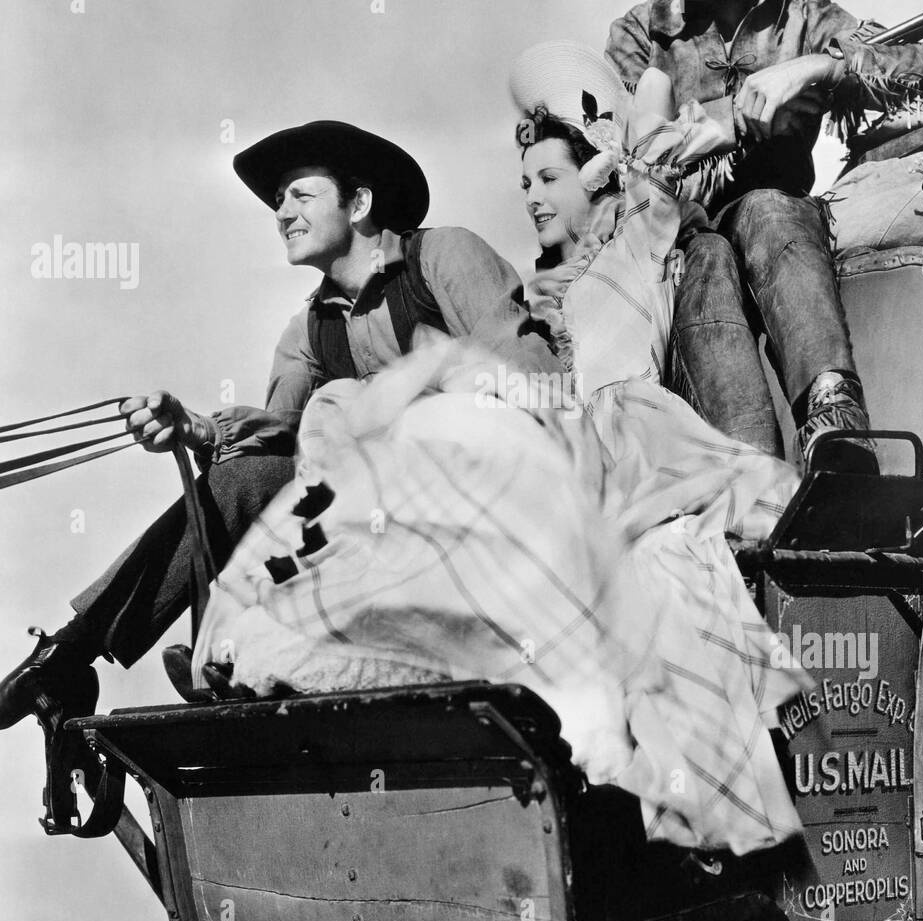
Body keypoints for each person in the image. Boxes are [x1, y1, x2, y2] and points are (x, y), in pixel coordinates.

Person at [189, 48, 814, 856]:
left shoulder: (610, 251)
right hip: (484, 455)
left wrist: (627, 143)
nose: (532, 198)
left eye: (549, 180)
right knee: (299, 468)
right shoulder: (504, 291)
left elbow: (541, 367)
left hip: (584, 435)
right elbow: (299, 420)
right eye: (524, 184)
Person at [0, 120, 554, 728]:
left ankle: (255, 657)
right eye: (278, 201)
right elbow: (278, 444)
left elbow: (526, 380)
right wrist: (194, 429)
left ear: (360, 203)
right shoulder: (308, 330)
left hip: (478, 498)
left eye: (301, 195)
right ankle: (70, 654)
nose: (282, 212)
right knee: (245, 479)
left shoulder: (444, 257)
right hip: (364, 519)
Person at [606, 0, 923, 464]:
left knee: (770, 206)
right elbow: (618, 164)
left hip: (783, 235)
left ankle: (836, 429)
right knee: (706, 256)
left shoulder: (804, 18)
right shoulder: (642, 32)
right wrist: (721, 124)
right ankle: (754, 482)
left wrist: (814, 71)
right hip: (675, 246)